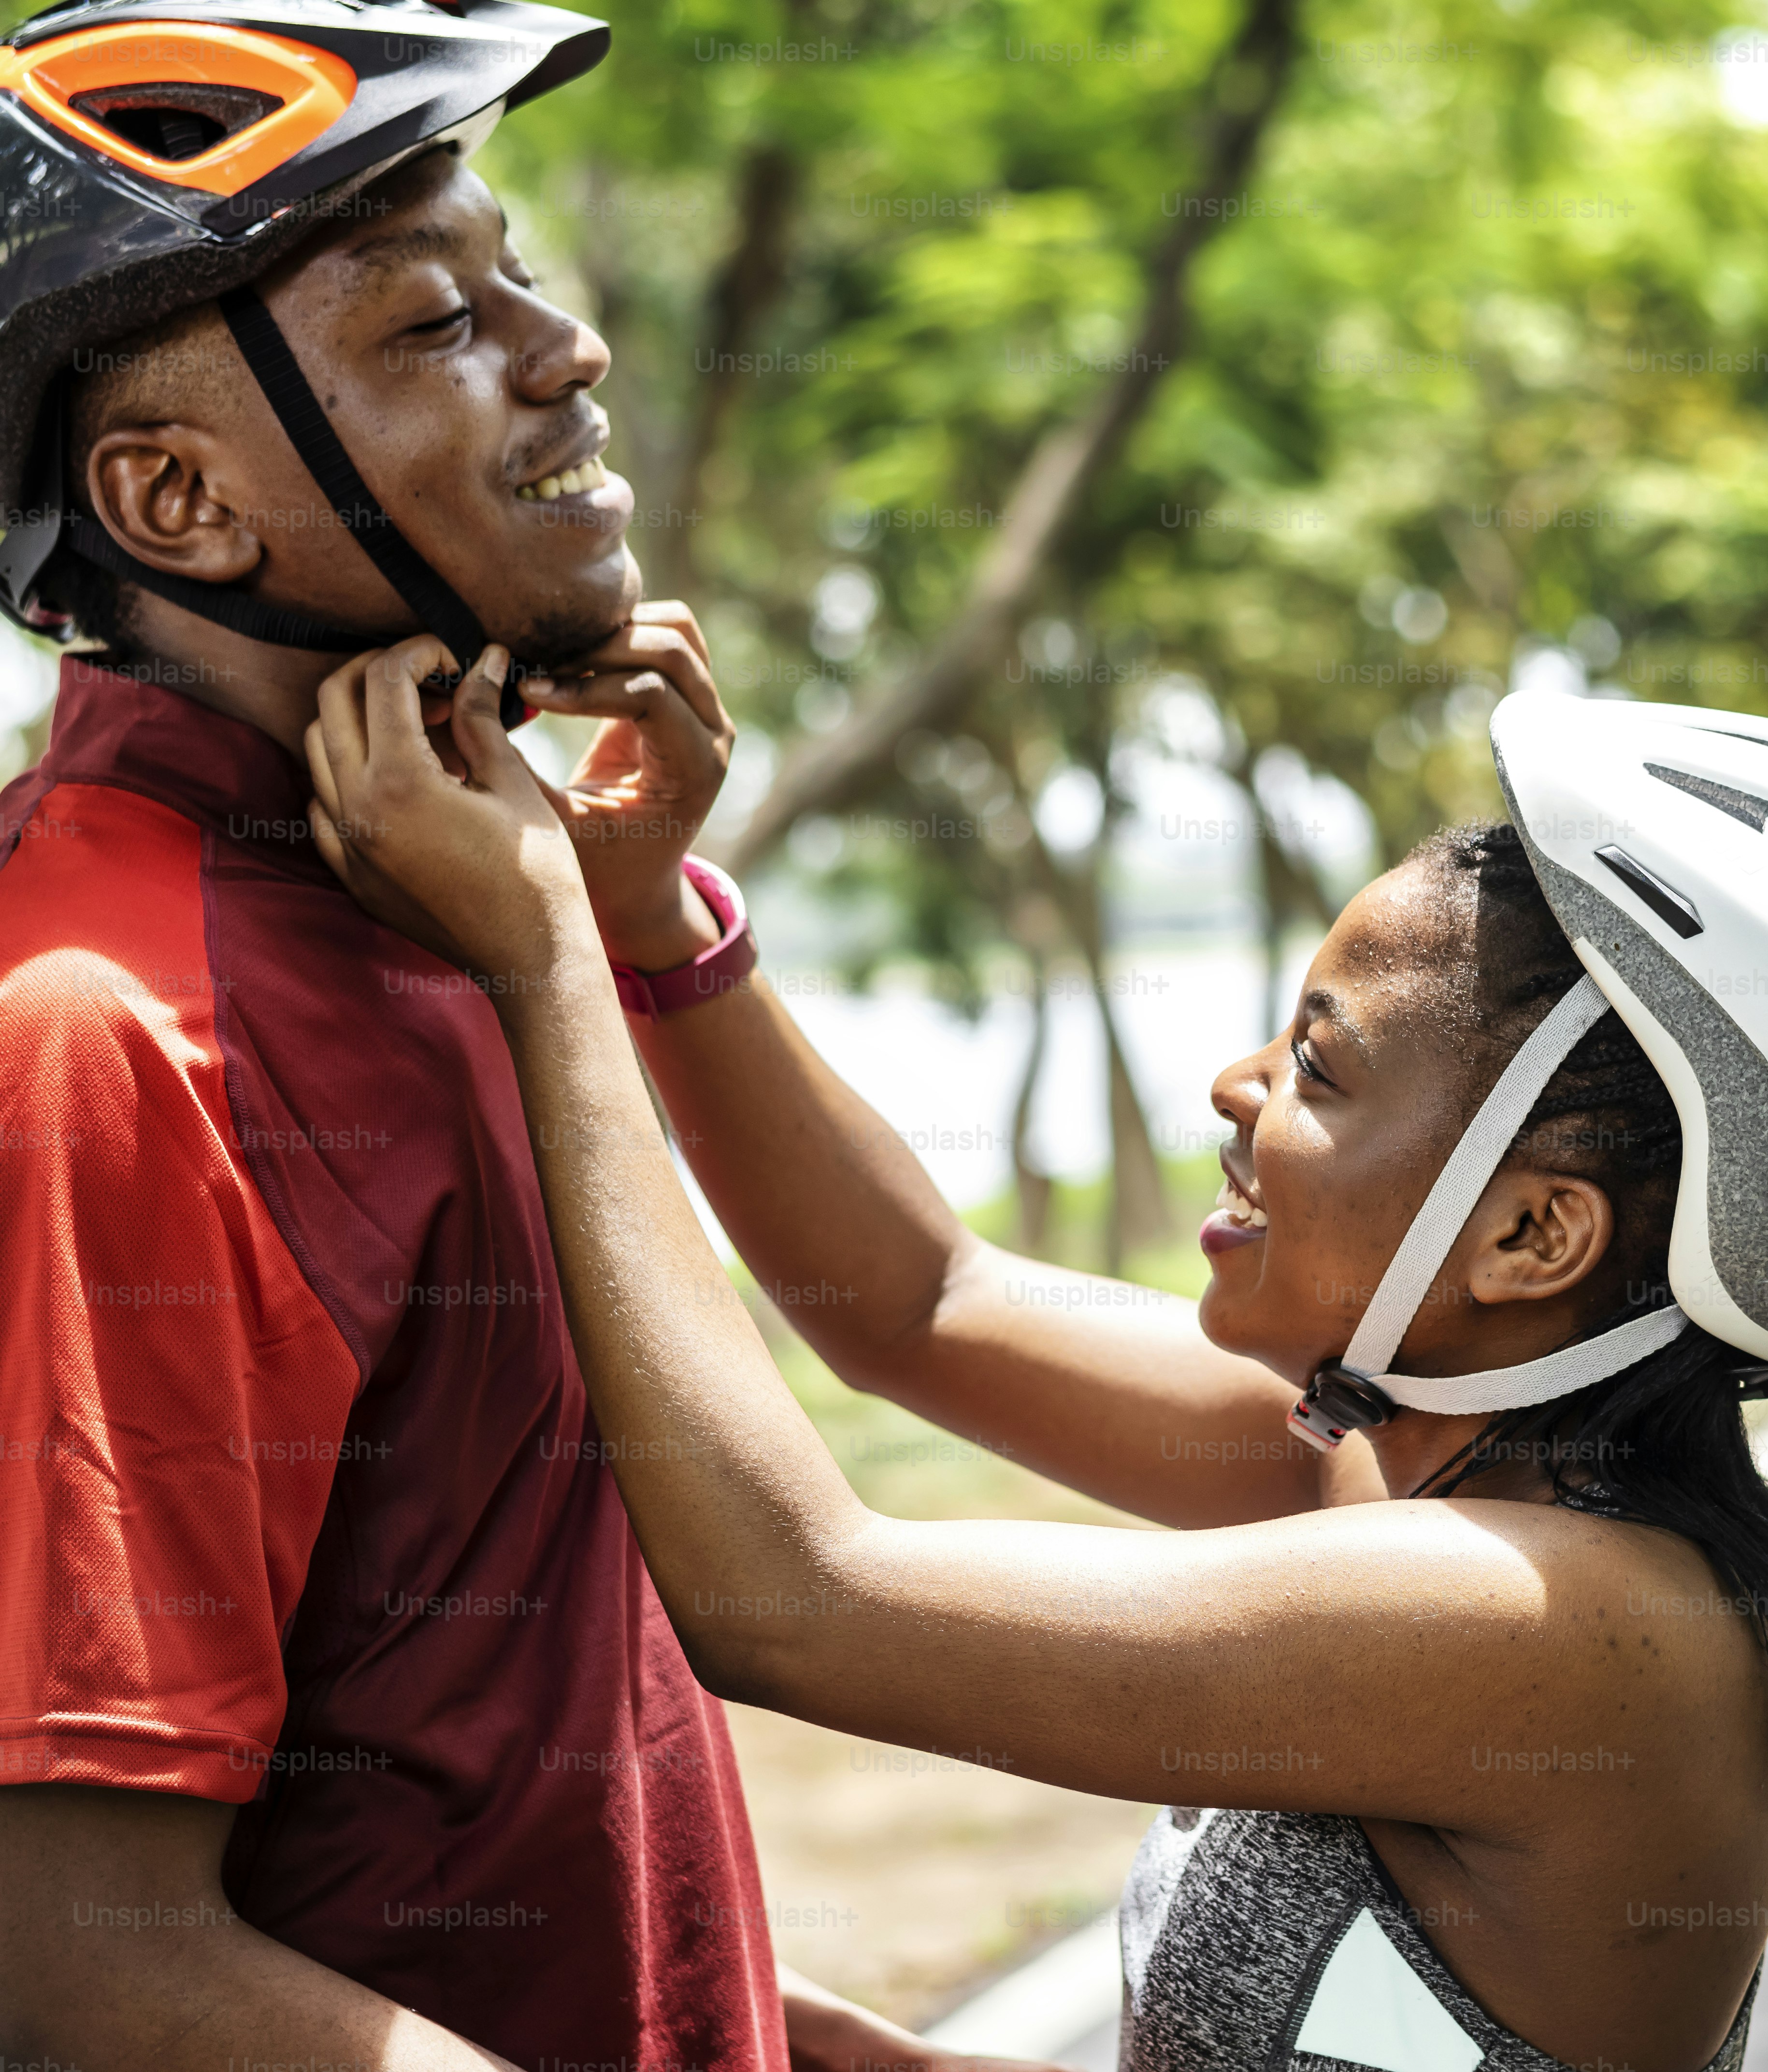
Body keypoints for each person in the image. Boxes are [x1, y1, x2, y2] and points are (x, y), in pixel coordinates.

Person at [304, 636, 1768, 2072]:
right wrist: (653, 921)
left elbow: (795, 1600)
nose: (1231, 1085)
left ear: (1533, 1238)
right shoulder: (1386, 1460)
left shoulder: (1556, 1620)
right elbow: (923, 1305)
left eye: (1317, 1066)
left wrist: (544, 956)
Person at [0, 5, 1058, 2067]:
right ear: (176, 499)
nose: (560, 348)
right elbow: (84, 1962)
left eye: (520, 275)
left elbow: (447, 1753)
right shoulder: (106, 1032)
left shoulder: (431, 892)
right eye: (429, 326)